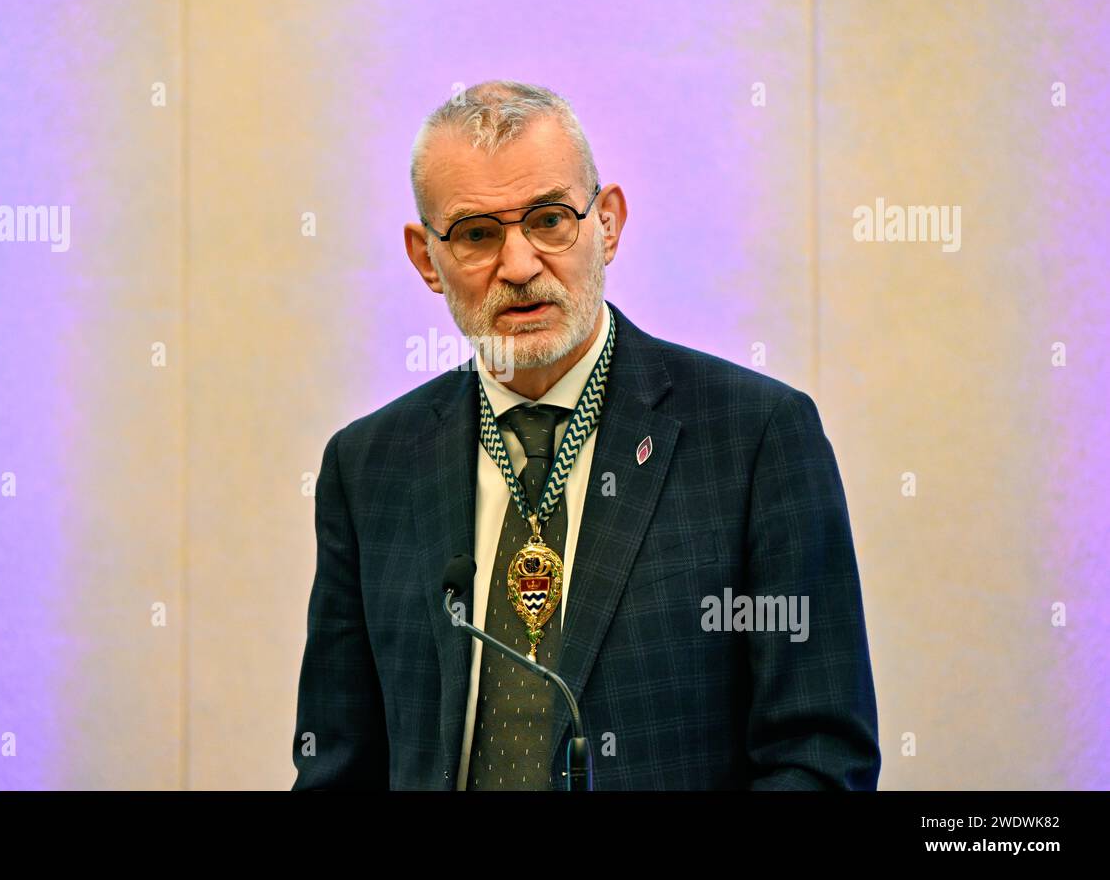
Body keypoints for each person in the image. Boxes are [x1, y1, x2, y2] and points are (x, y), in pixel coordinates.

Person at [292, 80, 879, 790]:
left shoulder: (755, 440)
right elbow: (338, 767)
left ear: (607, 224)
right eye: (478, 234)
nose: (518, 266)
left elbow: (818, 758)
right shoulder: (369, 470)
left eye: (549, 220)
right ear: (426, 260)